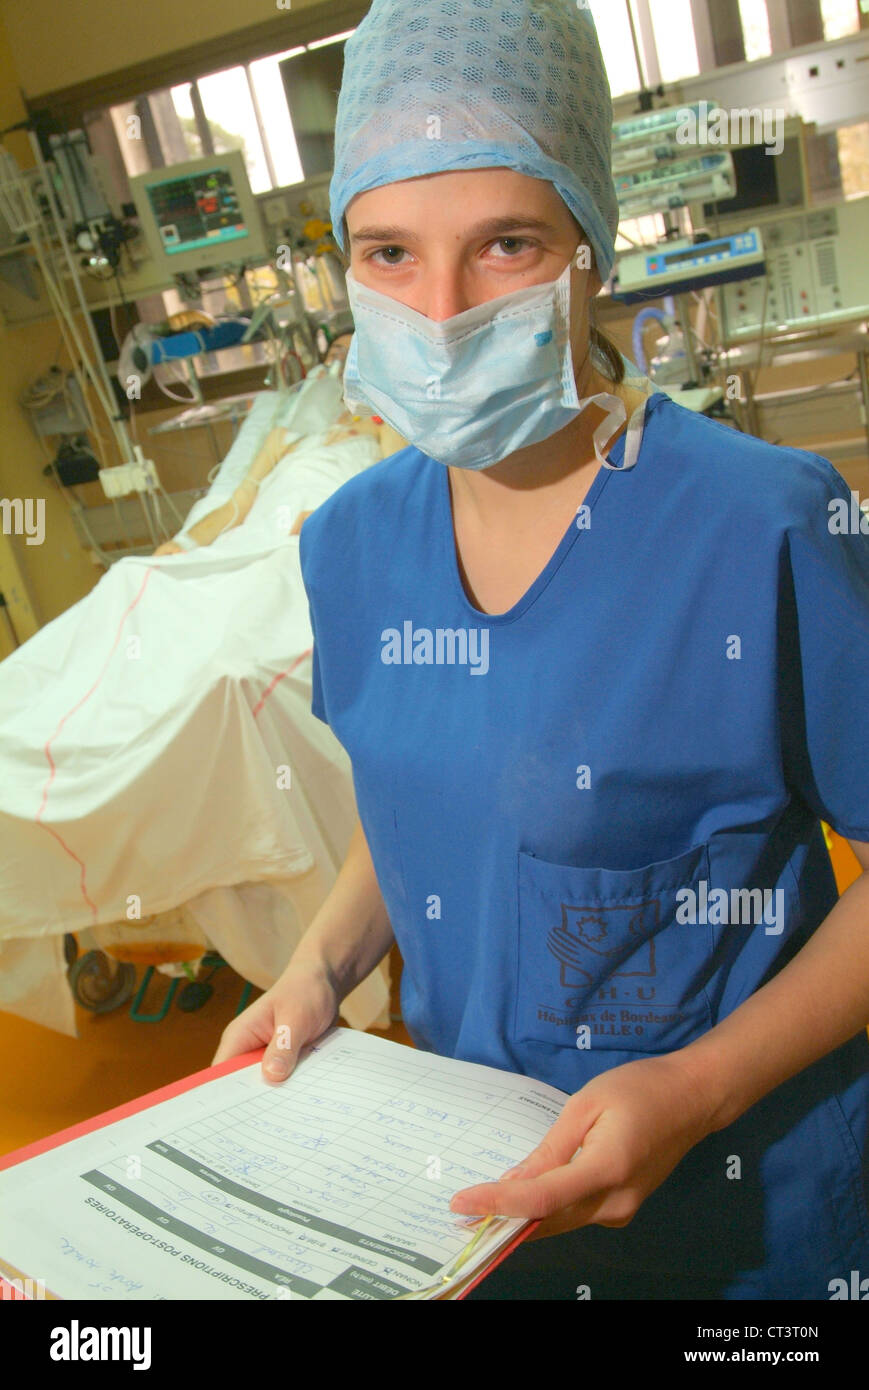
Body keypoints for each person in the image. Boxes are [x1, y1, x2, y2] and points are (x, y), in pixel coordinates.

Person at [213, 0, 869, 1300]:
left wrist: (696, 1086)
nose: (440, 311)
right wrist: (317, 967)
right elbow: (424, 816)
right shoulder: (348, 545)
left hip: (746, 1218)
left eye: (503, 244)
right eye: (388, 252)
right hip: (474, 1207)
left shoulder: (761, 525)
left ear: (589, 250)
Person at [152, 333, 370, 554]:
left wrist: (333, 518)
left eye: (350, 354)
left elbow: (396, 495)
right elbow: (236, 506)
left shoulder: (379, 425)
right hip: (271, 531)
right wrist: (183, 543)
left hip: (332, 528)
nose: (339, 361)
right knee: (127, 571)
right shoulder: (281, 438)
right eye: (334, 352)